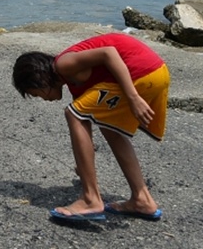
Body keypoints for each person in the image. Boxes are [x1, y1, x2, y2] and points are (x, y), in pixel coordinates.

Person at [12, 32, 170, 223]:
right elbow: (86, 125)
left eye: (36, 93)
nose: (42, 99)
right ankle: (142, 200)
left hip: (140, 72)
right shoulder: (75, 86)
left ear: (39, 79)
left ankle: (90, 199)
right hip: (158, 72)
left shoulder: (63, 64)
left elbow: (108, 53)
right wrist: (83, 164)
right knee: (109, 128)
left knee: (72, 114)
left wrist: (133, 97)